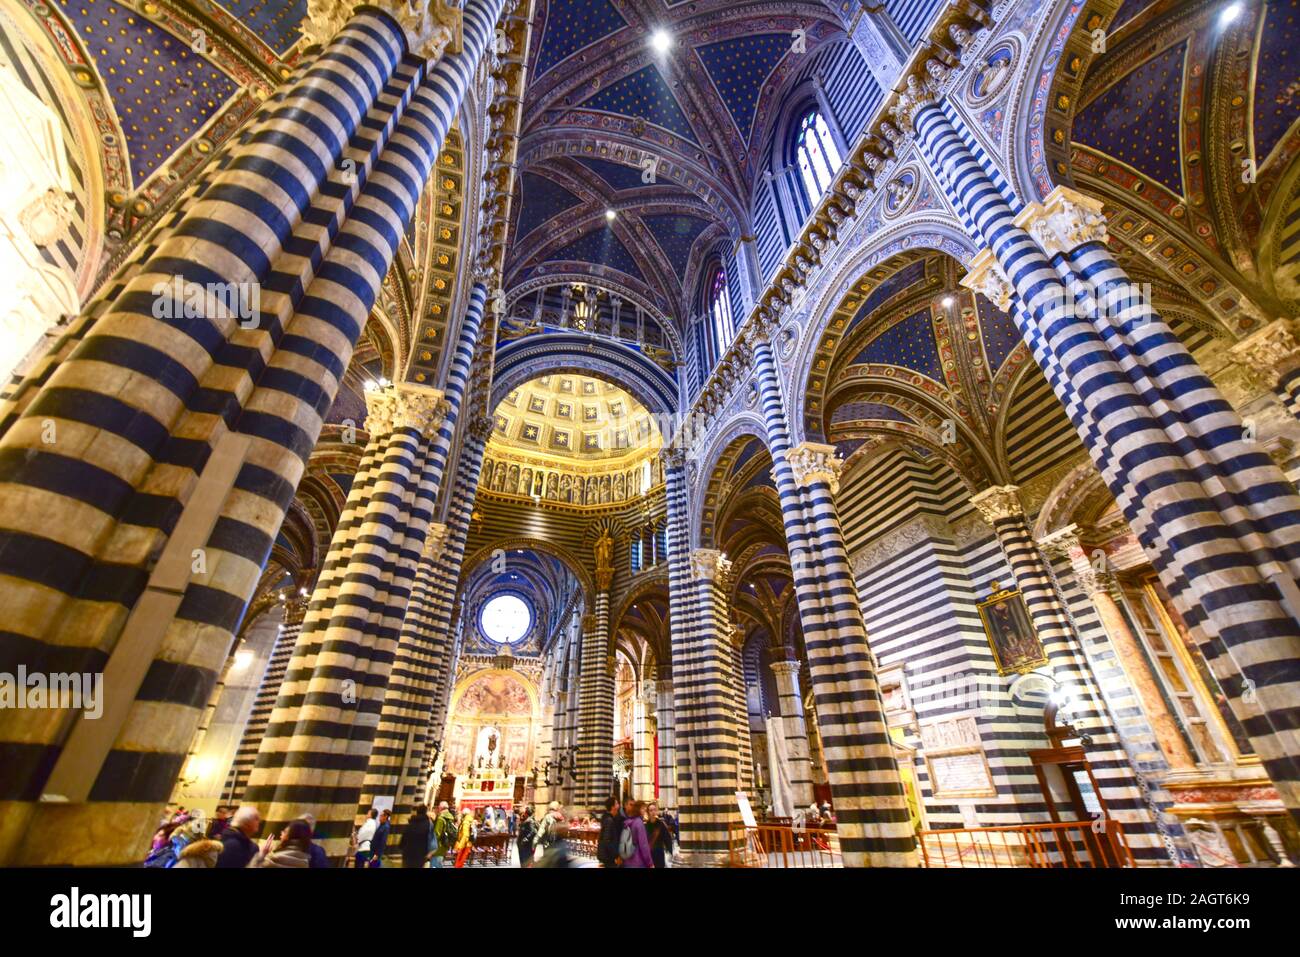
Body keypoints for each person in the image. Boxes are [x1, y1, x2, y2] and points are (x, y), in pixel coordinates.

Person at [248, 819, 314, 868]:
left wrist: (261, 854)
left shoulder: (275, 859)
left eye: (285, 832)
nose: (281, 833)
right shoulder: (305, 862)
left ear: (290, 836)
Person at [619, 800, 653, 868]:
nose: (644, 811)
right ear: (638, 809)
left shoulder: (627, 822)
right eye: (643, 809)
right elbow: (643, 845)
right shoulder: (639, 823)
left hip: (627, 859)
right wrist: (650, 862)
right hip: (638, 861)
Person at [400, 804, 432, 869]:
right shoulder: (428, 824)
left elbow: (404, 836)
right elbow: (430, 840)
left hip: (407, 853)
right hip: (420, 855)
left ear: (417, 811)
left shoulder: (412, 821)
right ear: (425, 812)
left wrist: (402, 847)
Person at [596, 796, 623, 868]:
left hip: (607, 855)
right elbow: (607, 839)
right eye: (617, 803)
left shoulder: (607, 818)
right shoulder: (609, 820)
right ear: (612, 807)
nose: (619, 805)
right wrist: (615, 855)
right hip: (608, 856)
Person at [644, 802, 672, 869]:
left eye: (654, 810)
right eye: (651, 810)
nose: (653, 812)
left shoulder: (661, 824)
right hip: (649, 855)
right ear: (648, 813)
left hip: (659, 854)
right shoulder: (645, 826)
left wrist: (670, 851)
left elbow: (667, 838)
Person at [429, 801, 456, 868]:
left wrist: (431, 847)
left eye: (438, 807)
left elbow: (437, 834)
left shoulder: (441, 818)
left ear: (441, 808)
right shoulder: (450, 817)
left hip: (438, 846)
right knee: (439, 863)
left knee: (435, 864)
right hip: (445, 844)